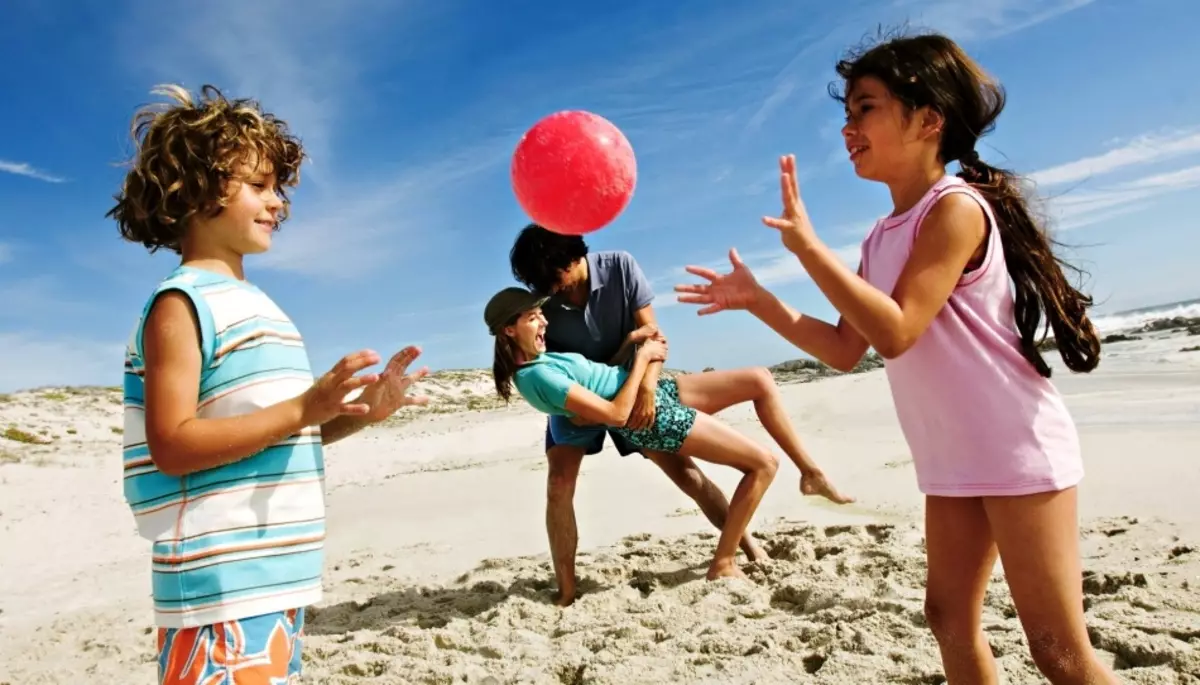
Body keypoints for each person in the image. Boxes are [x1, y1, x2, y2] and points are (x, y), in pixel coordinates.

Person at [675, 32, 1117, 685]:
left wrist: (807, 250)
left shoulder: (957, 209)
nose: (848, 126)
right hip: (953, 460)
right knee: (948, 620)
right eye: (848, 112)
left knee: (1056, 651)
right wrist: (763, 301)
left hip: (1017, 449)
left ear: (928, 120)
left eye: (865, 109)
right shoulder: (879, 238)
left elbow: (900, 329)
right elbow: (846, 347)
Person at [110, 84, 429, 685]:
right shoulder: (181, 303)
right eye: (258, 185)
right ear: (195, 190)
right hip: (220, 586)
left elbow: (274, 433)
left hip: (275, 574)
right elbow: (173, 444)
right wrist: (303, 405)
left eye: (277, 188)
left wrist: (356, 412)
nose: (277, 202)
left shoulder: (256, 303)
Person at [509, 224, 849, 606]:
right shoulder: (545, 297)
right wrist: (594, 406)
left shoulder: (620, 266)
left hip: (635, 381)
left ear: (572, 258)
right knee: (558, 486)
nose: (552, 292)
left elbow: (653, 336)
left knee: (691, 470)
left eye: (556, 279)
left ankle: (749, 539)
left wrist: (647, 388)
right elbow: (549, 369)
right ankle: (566, 592)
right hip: (582, 398)